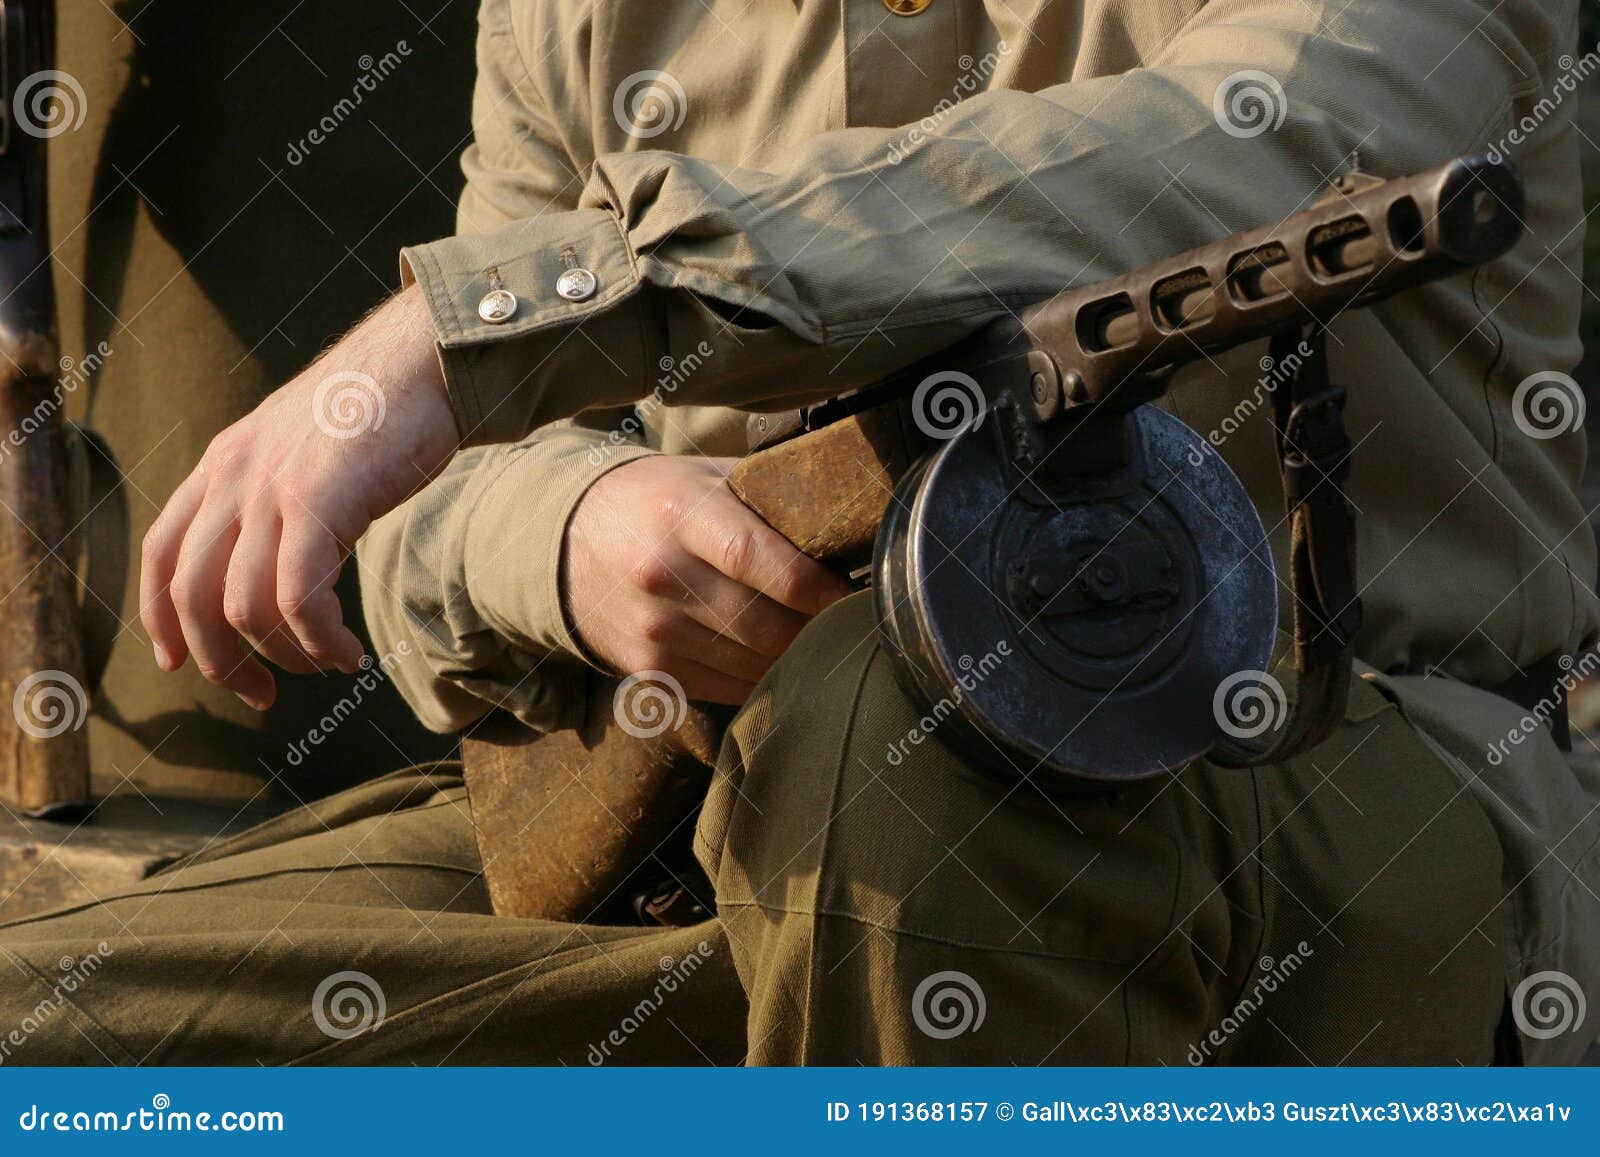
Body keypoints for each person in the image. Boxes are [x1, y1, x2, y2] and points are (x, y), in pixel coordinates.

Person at [2, 0, 1597, 1065]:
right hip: (708, 816)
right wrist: (574, 528)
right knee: (58, 1034)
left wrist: (518, 319)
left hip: (1336, 772)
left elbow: (1286, 127)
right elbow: (430, 509)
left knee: (895, 741)